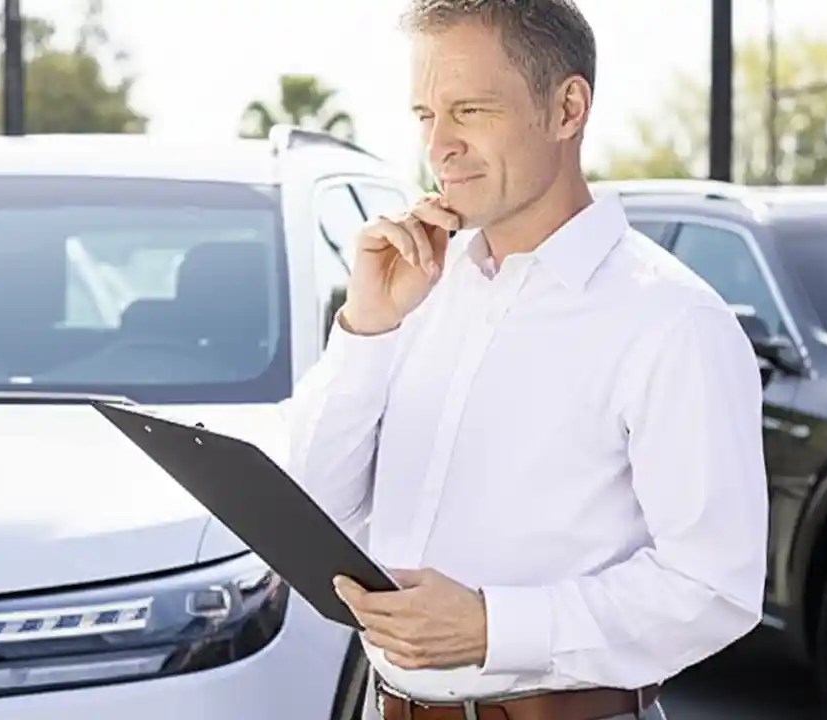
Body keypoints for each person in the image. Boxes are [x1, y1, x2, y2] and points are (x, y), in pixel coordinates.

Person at [280, 1, 769, 718]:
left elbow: (714, 589)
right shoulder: (419, 294)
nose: (438, 146)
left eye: (470, 110)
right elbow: (315, 510)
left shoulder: (673, 321)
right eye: (425, 115)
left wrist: (492, 626)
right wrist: (366, 329)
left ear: (568, 107)